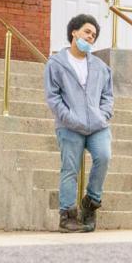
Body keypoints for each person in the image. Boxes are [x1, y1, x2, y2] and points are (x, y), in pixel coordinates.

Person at [44, 14, 113, 233]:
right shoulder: (56, 63)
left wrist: (103, 115)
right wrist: (68, 117)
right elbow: (53, 97)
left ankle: (90, 203)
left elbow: (108, 96)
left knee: (104, 157)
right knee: (70, 169)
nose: (90, 37)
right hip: (69, 126)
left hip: (97, 125)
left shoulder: (101, 67)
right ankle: (67, 216)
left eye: (94, 35)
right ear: (74, 32)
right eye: (87, 32)